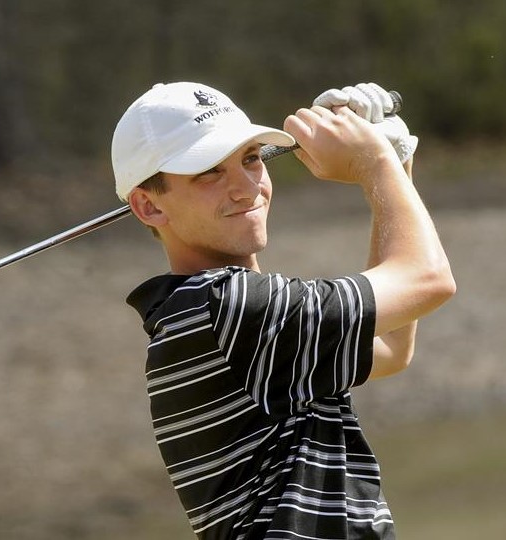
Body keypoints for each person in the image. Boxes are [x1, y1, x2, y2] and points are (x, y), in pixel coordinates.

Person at [112, 81, 455, 539]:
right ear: (148, 205)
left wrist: (393, 163)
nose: (245, 187)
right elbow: (428, 280)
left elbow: (392, 347)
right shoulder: (227, 309)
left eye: (251, 158)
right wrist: (374, 163)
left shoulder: (199, 312)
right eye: (209, 172)